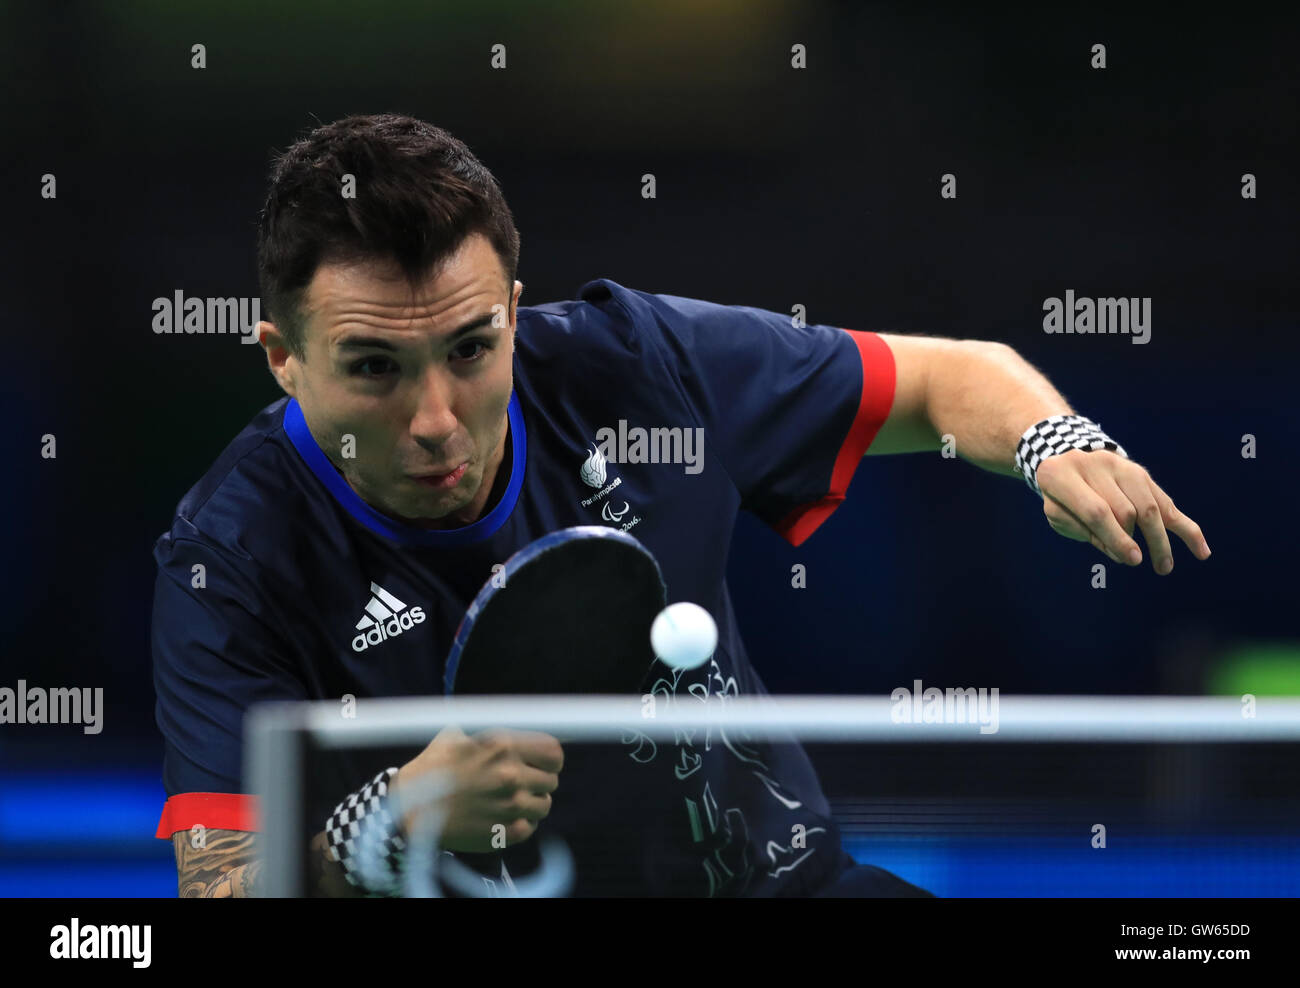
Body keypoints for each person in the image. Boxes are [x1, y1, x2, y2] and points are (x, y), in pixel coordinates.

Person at [152, 112, 1210, 898]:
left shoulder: (636, 367)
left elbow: (950, 377)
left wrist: (1053, 442)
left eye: (472, 350)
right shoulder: (232, 557)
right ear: (283, 358)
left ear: (516, 314)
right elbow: (218, 885)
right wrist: (384, 830)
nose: (435, 418)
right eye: (375, 366)